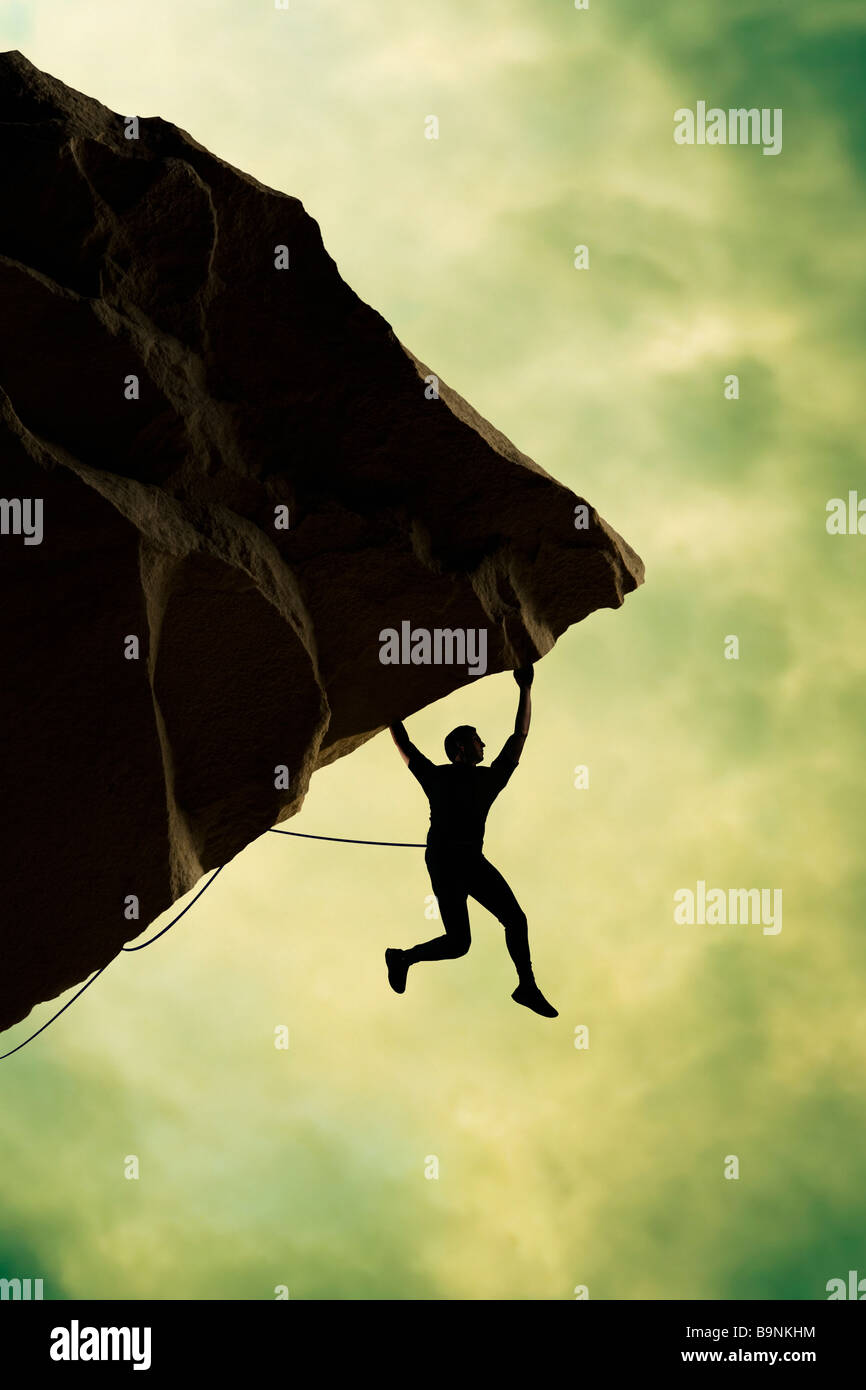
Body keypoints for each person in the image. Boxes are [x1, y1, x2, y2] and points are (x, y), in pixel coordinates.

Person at [385, 665, 557, 1018]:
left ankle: (402, 957)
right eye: (478, 740)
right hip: (456, 862)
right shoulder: (476, 779)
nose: (484, 744)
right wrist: (525, 689)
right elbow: (519, 736)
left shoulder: (451, 777)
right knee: (509, 922)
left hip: (453, 861)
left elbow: (405, 744)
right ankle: (525, 986)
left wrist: (388, 707)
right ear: (462, 747)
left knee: (465, 941)